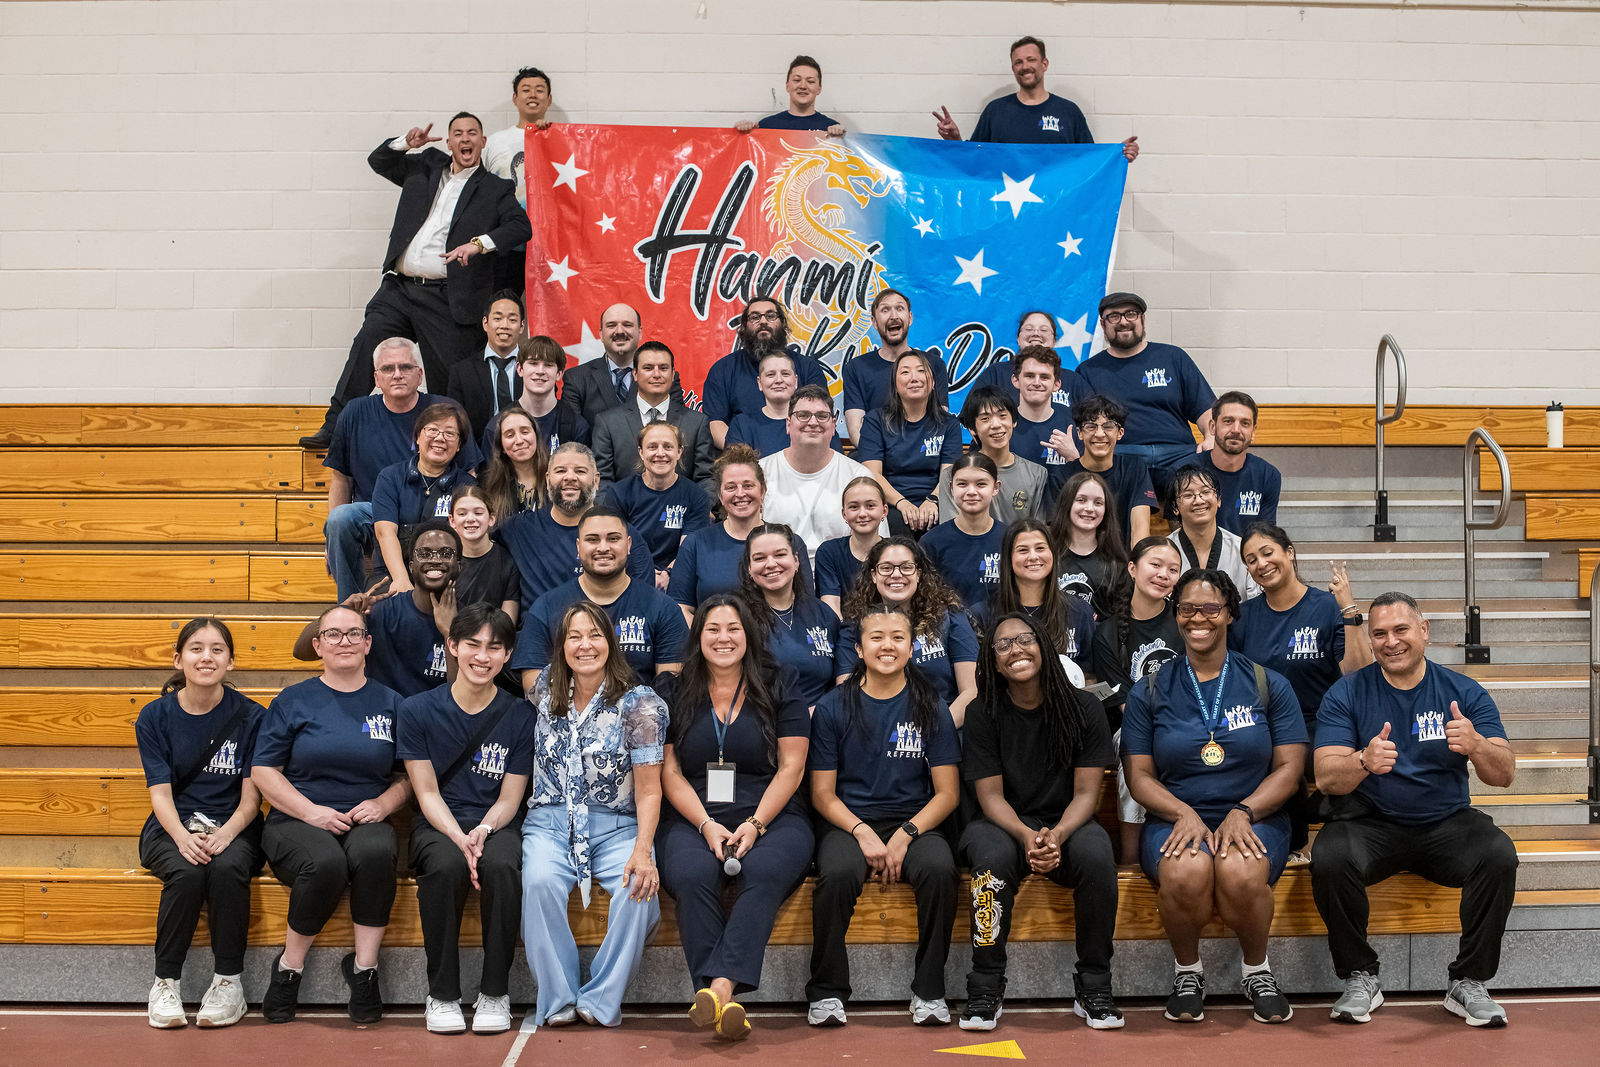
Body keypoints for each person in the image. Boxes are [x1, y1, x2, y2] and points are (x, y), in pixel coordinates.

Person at [1312, 592, 1519, 1028]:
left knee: (1498, 854)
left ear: (1424, 631)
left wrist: (1477, 745)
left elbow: (1503, 774)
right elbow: (1327, 776)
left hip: (1446, 823)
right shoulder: (1347, 691)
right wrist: (1363, 762)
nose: (1391, 641)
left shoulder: (1463, 691)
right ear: (1370, 642)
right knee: (1329, 857)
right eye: (1380, 634)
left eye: (1401, 630)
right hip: (1371, 824)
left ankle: (1469, 981)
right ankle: (1360, 975)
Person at [1123, 569, 1308, 1026]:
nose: (1198, 618)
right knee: (1186, 870)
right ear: (1176, 614)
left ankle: (1257, 970)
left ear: (1229, 614)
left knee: (1240, 869)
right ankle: (1188, 972)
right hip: (1173, 817)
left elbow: (1290, 768)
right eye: (1187, 608)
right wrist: (1182, 812)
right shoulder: (1149, 688)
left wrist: (1245, 811)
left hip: (1257, 815)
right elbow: (1139, 776)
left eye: (1210, 608)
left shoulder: (1268, 683)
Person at [301, 114, 532, 447]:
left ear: (483, 142)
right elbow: (378, 161)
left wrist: (479, 244)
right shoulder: (424, 166)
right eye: (457, 134)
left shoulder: (495, 189)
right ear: (449, 142)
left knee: (450, 383)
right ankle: (336, 428)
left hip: (448, 297)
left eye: (472, 134)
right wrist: (404, 144)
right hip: (400, 288)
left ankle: (460, 450)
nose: (465, 139)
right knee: (366, 344)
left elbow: (520, 228)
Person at [657, 595, 812, 1043]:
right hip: (693, 814)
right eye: (712, 629)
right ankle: (728, 1005)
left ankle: (716, 989)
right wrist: (705, 824)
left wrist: (757, 824)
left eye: (733, 629)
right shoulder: (673, 688)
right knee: (690, 874)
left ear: (749, 635)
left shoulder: (782, 682)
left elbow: (792, 767)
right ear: (697, 636)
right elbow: (668, 771)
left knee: (761, 873)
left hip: (772, 813)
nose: (723, 638)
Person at [957, 612, 1122, 1032]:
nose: (1016, 650)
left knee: (1098, 856)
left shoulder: (1084, 707)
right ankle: (986, 985)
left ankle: (1094, 985)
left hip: (1067, 819)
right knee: (989, 864)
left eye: (1025, 640)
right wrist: (1029, 836)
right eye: (1003, 645)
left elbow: (1088, 793)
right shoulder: (982, 712)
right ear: (993, 662)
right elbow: (990, 796)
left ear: (1045, 648)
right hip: (1003, 823)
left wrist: (1058, 835)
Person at [252, 605, 410, 1025]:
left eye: (354, 634)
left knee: (376, 854)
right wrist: (312, 813)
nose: (345, 642)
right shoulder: (293, 699)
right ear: (318, 645)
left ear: (367, 644)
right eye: (334, 635)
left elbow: (412, 775)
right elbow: (263, 770)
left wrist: (385, 804)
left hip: (366, 817)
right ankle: (289, 969)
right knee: (325, 863)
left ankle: (364, 971)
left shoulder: (391, 703)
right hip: (296, 820)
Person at [807, 601, 960, 1027]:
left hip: (915, 821)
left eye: (898, 638)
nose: (887, 646)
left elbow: (947, 794)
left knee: (939, 870)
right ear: (858, 648)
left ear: (912, 647)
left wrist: (907, 833)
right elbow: (822, 793)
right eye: (877, 637)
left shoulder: (933, 706)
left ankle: (929, 991)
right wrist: (860, 832)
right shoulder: (834, 707)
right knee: (836, 875)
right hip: (848, 821)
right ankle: (827, 992)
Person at [522, 601, 670, 1028]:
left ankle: (602, 999)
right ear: (561, 646)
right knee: (538, 882)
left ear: (612, 642)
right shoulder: (546, 687)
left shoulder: (640, 705)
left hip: (616, 824)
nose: (585, 645)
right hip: (551, 821)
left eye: (594, 635)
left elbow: (648, 789)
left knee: (636, 888)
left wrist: (643, 850)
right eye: (574, 637)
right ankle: (558, 997)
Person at [397, 605, 533, 1035]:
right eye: (472, 644)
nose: (482, 655)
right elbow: (427, 792)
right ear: (452, 646)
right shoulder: (416, 710)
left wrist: (484, 830)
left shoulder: (520, 715)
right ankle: (442, 994)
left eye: (495, 647)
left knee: (502, 865)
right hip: (440, 824)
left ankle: (495, 991)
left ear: (507, 655)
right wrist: (459, 836)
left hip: (496, 822)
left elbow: (511, 796)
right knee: (444, 865)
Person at [135, 618, 265, 1030]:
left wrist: (226, 834)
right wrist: (182, 837)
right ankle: (165, 983)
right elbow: (160, 795)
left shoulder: (252, 717)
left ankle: (229, 982)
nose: (206, 656)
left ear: (230, 661)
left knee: (227, 869)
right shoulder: (154, 717)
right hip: (171, 824)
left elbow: (251, 800)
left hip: (235, 826)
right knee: (187, 872)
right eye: (195, 648)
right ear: (178, 659)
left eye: (216, 649)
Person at [1236, 525, 1372, 863]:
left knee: (1303, 756)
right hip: (1266, 724)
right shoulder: (1245, 616)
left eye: (1267, 552)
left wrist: (1350, 611)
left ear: (1289, 552)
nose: (1261, 563)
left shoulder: (1327, 607)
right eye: (1251, 560)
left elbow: (1358, 671)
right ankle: (1293, 841)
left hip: (1321, 721)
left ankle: (1319, 838)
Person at [320, 337, 462, 600]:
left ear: (420, 375)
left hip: (431, 507)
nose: (397, 374)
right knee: (340, 520)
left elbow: (469, 473)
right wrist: (332, 542)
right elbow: (340, 479)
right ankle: (352, 609)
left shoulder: (442, 408)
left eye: (405, 367)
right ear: (376, 377)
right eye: (388, 369)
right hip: (374, 511)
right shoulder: (354, 412)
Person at [512, 506, 689, 688]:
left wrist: (630, 714)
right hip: (565, 713)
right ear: (579, 547)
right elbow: (533, 687)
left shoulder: (663, 608)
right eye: (592, 539)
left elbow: (670, 688)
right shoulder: (546, 608)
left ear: (628, 545)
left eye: (613, 539)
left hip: (642, 714)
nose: (603, 547)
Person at [1091, 536, 1184, 861]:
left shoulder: (1186, 620)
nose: (1163, 574)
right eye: (1155, 565)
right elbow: (1126, 704)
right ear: (1133, 568)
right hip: (1133, 726)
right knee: (1135, 751)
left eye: (1173, 570)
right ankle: (1130, 861)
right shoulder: (1107, 633)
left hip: (1187, 722)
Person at [295, 520, 461, 698]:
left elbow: (460, 700)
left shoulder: (468, 620)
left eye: (445, 553)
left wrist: (449, 632)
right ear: (411, 567)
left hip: (436, 722)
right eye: (424, 553)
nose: (435, 560)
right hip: (382, 721)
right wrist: (343, 611)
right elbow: (302, 652)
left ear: (459, 566)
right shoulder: (379, 612)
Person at [1076, 292, 1216, 502]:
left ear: (1142, 319)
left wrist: (1211, 437)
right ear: (1103, 324)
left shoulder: (1173, 357)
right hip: (1120, 454)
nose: (1123, 321)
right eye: (1114, 316)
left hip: (1178, 453)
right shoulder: (1088, 371)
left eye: (1130, 314)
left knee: (1203, 484)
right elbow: (1083, 424)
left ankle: (1188, 535)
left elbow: (1206, 410)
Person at [497, 443, 655, 611]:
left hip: (603, 633)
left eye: (580, 471)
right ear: (548, 479)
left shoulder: (621, 536)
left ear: (596, 480)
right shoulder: (519, 529)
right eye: (560, 471)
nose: (570, 477)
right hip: (540, 633)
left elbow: (643, 604)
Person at [838, 537, 979, 726]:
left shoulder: (950, 615)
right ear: (873, 575)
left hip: (944, 727)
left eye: (906, 567)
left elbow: (971, 691)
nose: (896, 575)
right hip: (877, 731)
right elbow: (848, 693)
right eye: (886, 568)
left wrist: (938, 737)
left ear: (919, 574)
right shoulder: (855, 623)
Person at [933, 36, 1139, 161]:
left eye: (1031, 60)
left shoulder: (1069, 112)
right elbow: (975, 159)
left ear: (1044, 64)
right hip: (1006, 217)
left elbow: (1088, 162)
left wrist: (1117, 155)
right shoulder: (995, 111)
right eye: (1018, 62)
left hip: (1056, 215)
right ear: (1013, 68)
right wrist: (955, 140)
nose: (1025, 67)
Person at [669, 445, 813, 617]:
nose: (740, 493)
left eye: (748, 485)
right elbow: (681, 607)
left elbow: (806, 607)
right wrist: (705, 642)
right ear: (721, 496)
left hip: (777, 642)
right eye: (731, 487)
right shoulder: (695, 544)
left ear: (763, 491)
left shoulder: (790, 542)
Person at [760, 385, 881, 565]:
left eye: (822, 416)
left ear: (833, 426)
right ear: (788, 424)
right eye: (803, 415)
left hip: (842, 578)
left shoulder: (858, 476)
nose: (813, 422)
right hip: (777, 576)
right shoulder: (760, 473)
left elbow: (878, 546)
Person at [370, 401, 476, 593]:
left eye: (450, 433)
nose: (440, 438)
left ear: (459, 445)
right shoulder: (390, 477)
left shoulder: (467, 486)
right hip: (392, 573)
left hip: (445, 577)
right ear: (418, 436)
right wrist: (401, 579)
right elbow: (385, 532)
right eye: (432, 430)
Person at [856, 350, 962, 537]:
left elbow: (949, 474)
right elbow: (872, 474)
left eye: (921, 371)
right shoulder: (876, 420)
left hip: (935, 500)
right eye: (905, 372)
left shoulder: (949, 424)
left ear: (933, 382)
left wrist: (933, 500)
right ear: (895, 385)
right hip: (892, 502)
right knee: (896, 522)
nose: (914, 378)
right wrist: (901, 503)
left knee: (945, 522)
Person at [702, 298, 830, 449]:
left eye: (770, 316)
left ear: (782, 323)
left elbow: (820, 418)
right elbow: (715, 423)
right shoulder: (723, 369)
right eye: (755, 317)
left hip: (800, 454)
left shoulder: (808, 368)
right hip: (744, 458)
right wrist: (746, 457)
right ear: (744, 326)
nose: (763, 321)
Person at [739, 523, 839, 711]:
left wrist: (820, 714)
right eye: (760, 558)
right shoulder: (738, 617)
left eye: (780, 555)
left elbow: (839, 682)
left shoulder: (824, 615)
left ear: (796, 561)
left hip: (820, 724)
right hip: (763, 724)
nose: (771, 564)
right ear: (749, 569)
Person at [592, 340, 714, 490]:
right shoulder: (608, 423)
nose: (656, 374)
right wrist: (613, 512)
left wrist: (697, 510)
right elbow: (602, 479)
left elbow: (706, 478)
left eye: (663, 368)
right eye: (648, 368)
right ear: (635, 374)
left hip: (681, 511)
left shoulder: (697, 422)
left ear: (673, 374)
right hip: (623, 511)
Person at [603, 420, 714, 585]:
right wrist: (647, 575)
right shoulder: (619, 493)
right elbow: (615, 545)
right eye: (652, 447)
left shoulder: (696, 496)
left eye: (668, 447)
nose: (660, 453)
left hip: (678, 577)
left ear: (679, 452)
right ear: (641, 452)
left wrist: (668, 574)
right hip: (629, 576)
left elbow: (688, 551)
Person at [983, 519, 1096, 680]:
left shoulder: (1080, 610)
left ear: (1052, 554)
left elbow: (1090, 676)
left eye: (1040, 548)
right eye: (1023, 550)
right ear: (1008, 558)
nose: (1033, 556)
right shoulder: (986, 613)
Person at [843, 289, 948, 443]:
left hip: (923, 457)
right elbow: (856, 433)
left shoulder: (934, 364)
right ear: (874, 322)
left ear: (910, 318)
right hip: (874, 458)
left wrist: (911, 458)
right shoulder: (856, 368)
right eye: (885, 310)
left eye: (899, 309)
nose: (893, 316)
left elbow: (939, 425)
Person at [483, 66, 554, 295]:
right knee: (501, 307)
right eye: (526, 90)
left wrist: (551, 136)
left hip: (550, 247)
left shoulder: (562, 140)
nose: (533, 95)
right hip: (505, 246)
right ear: (515, 98)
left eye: (539, 90)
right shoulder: (495, 142)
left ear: (549, 99)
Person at [1060, 394, 1158, 544]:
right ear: (1079, 433)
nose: (1099, 434)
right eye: (1091, 426)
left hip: (1122, 562)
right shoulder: (1061, 475)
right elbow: (1058, 532)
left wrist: (1137, 564)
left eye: (1108, 426)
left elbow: (1140, 528)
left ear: (1120, 433)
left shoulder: (1135, 468)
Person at [559, 303, 676, 425]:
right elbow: (571, 432)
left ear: (640, 332)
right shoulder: (576, 378)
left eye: (627, 325)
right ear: (601, 334)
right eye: (611, 325)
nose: (620, 331)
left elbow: (678, 425)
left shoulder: (664, 377)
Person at [947, 386, 1048, 524]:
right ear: (972, 429)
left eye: (1002, 416)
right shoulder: (953, 475)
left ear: (1014, 421)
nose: (996, 424)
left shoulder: (1037, 474)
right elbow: (949, 530)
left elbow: (1037, 531)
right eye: (985, 418)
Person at [920, 454, 1006, 610]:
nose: (971, 491)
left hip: (1002, 630)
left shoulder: (1010, 538)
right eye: (962, 484)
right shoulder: (932, 542)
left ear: (995, 488)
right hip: (952, 629)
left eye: (981, 484)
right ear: (951, 488)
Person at [1166, 467, 1261, 601]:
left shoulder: (1242, 549)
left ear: (1219, 500)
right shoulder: (1162, 552)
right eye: (1188, 495)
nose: (1198, 501)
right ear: (1175, 508)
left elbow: (1255, 604)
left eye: (1205, 492)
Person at [1198, 392, 1282, 536]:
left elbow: (1264, 536)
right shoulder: (1185, 472)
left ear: (1253, 431)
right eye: (1228, 421)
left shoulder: (1268, 475)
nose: (1236, 430)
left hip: (1245, 557)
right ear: (1212, 427)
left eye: (1245, 423)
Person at [446, 291, 526, 440]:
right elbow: (455, 424)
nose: (504, 325)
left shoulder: (535, 369)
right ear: (485, 323)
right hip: (481, 456)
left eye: (512, 320)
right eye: (497, 318)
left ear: (521, 326)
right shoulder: (462, 372)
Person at [1010, 346, 1083, 508]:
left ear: (1056, 384)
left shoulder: (1073, 429)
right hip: (1010, 519)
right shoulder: (1001, 426)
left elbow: (1089, 486)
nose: (1036, 383)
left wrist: (1073, 457)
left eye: (1044, 377)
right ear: (1016, 380)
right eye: (1029, 376)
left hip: (1060, 522)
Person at [1050, 470, 1129, 616]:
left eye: (1098, 503)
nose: (1089, 508)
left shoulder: (1116, 564)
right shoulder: (1047, 554)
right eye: (1081, 500)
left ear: (1106, 510)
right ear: (1067, 503)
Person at [817, 476, 889, 617]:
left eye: (870, 506)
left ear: (884, 511)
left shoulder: (897, 553)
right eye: (854, 507)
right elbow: (831, 609)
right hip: (844, 632)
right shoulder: (829, 552)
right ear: (844, 513)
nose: (862, 514)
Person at [967, 310, 1070, 407]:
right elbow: (970, 413)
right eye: (1029, 329)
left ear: (1054, 340)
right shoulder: (996, 373)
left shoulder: (1073, 380)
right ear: (1018, 338)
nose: (1036, 333)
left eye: (1044, 330)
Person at [449, 486, 521, 622]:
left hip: (495, 638)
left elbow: (508, 622)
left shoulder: (508, 561)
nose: (470, 519)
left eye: (478, 513)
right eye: (462, 514)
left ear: (491, 518)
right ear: (452, 521)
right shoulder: (445, 562)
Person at [728, 350, 816, 456]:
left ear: (796, 381)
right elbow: (737, 468)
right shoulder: (741, 425)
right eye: (770, 375)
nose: (779, 380)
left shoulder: (815, 423)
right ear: (759, 383)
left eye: (785, 374)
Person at [511, 334, 589, 454]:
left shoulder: (577, 426)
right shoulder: (499, 424)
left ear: (559, 374)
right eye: (533, 363)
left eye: (548, 365)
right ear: (520, 369)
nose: (540, 371)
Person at [735, 54, 846, 135]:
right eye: (797, 80)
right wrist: (741, 133)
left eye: (810, 81)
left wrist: (842, 138)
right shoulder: (767, 125)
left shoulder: (831, 128)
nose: (803, 86)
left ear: (819, 89)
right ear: (787, 86)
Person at [477, 406, 548, 521]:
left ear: (536, 436)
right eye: (510, 435)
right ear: (502, 447)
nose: (519, 441)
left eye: (525, 432)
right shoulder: (487, 485)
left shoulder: (557, 475)